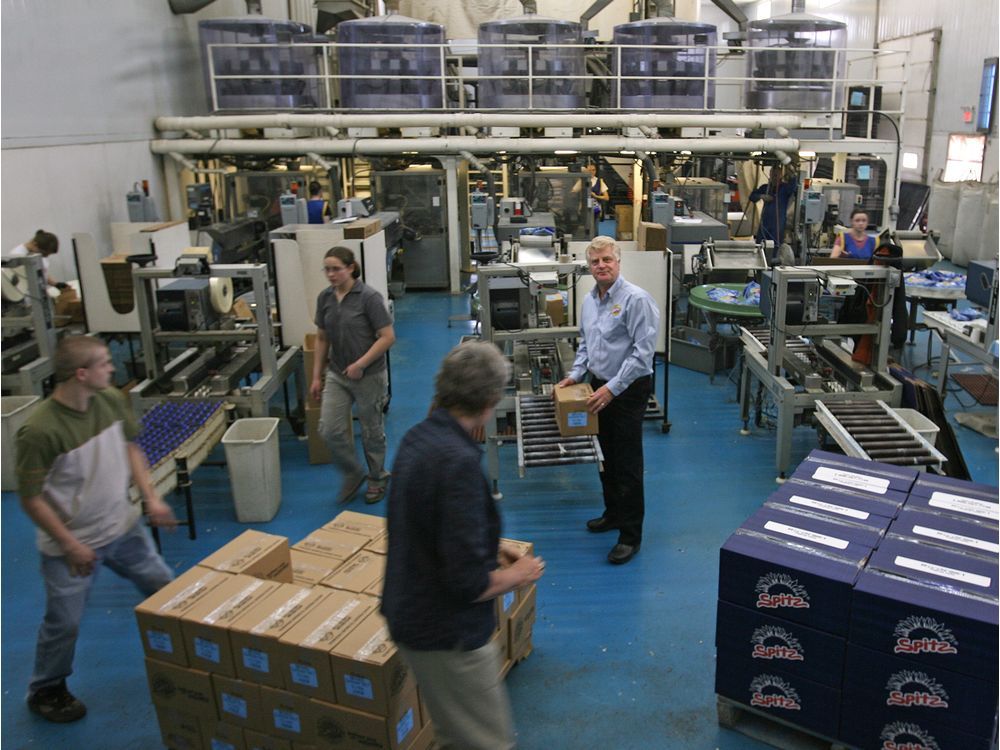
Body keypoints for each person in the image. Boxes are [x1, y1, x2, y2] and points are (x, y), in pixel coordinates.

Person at [381, 341, 546, 750]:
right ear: (490, 401)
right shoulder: (457, 464)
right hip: (444, 633)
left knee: (454, 731)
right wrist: (517, 574)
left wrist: (490, 546)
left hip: (408, 612)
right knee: (485, 743)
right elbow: (468, 584)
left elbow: (432, 528)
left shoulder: (418, 438)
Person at [15, 335, 176, 723]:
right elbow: (32, 498)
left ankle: (184, 659)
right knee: (64, 621)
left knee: (165, 589)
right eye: (105, 363)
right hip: (72, 545)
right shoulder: (39, 431)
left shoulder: (109, 399)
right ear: (81, 374)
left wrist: (151, 497)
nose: (113, 368)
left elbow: (131, 448)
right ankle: (47, 689)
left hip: (122, 527)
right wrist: (70, 544)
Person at [555, 236, 659, 565]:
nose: (601, 265)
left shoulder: (636, 300)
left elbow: (642, 355)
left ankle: (630, 535)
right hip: (599, 386)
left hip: (628, 390)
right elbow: (586, 345)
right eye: (595, 261)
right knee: (604, 455)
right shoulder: (589, 301)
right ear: (589, 266)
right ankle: (613, 513)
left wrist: (613, 388)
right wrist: (575, 375)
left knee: (627, 463)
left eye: (607, 260)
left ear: (618, 262)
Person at [309, 246, 396, 504]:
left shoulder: (368, 297)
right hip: (337, 373)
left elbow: (388, 337)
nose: (331, 274)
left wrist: (361, 363)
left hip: (369, 375)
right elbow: (322, 338)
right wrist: (316, 376)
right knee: (329, 430)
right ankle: (353, 472)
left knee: (372, 431)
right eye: (327, 269)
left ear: (350, 268)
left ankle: (377, 477)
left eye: (336, 268)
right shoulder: (325, 298)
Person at [749, 168, 797, 248]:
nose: (774, 177)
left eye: (776, 175)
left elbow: (793, 186)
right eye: (772, 175)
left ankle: (774, 259)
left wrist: (792, 173)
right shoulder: (765, 188)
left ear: (781, 175)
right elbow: (752, 197)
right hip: (765, 222)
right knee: (761, 244)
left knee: (775, 245)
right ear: (769, 175)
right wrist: (762, 196)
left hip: (777, 224)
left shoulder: (784, 189)